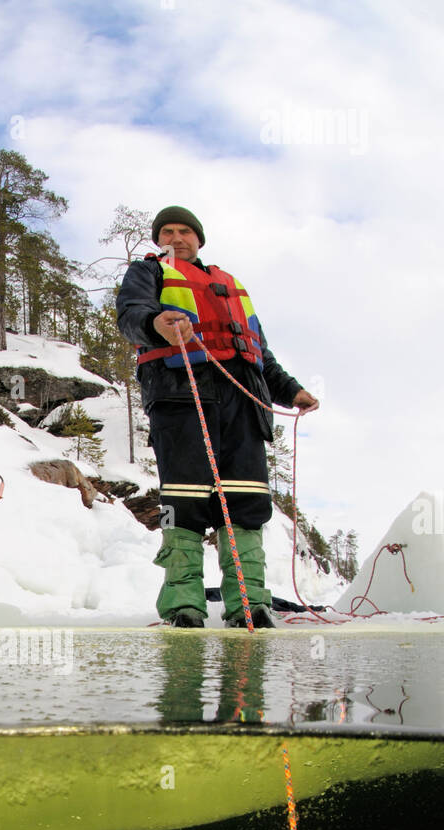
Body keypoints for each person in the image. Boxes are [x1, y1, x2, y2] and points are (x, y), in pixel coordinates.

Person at [116, 206, 319, 629]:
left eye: (185, 231)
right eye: (167, 231)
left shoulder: (229, 284)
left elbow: (260, 352)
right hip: (181, 399)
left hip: (242, 406)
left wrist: (290, 389)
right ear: (158, 240)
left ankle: (249, 603)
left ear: (199, 239)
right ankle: (183, 606)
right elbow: (131, 315)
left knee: (245, 502)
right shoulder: (147, 273)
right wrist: (157, 322)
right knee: (183, 502)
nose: (176, 237)